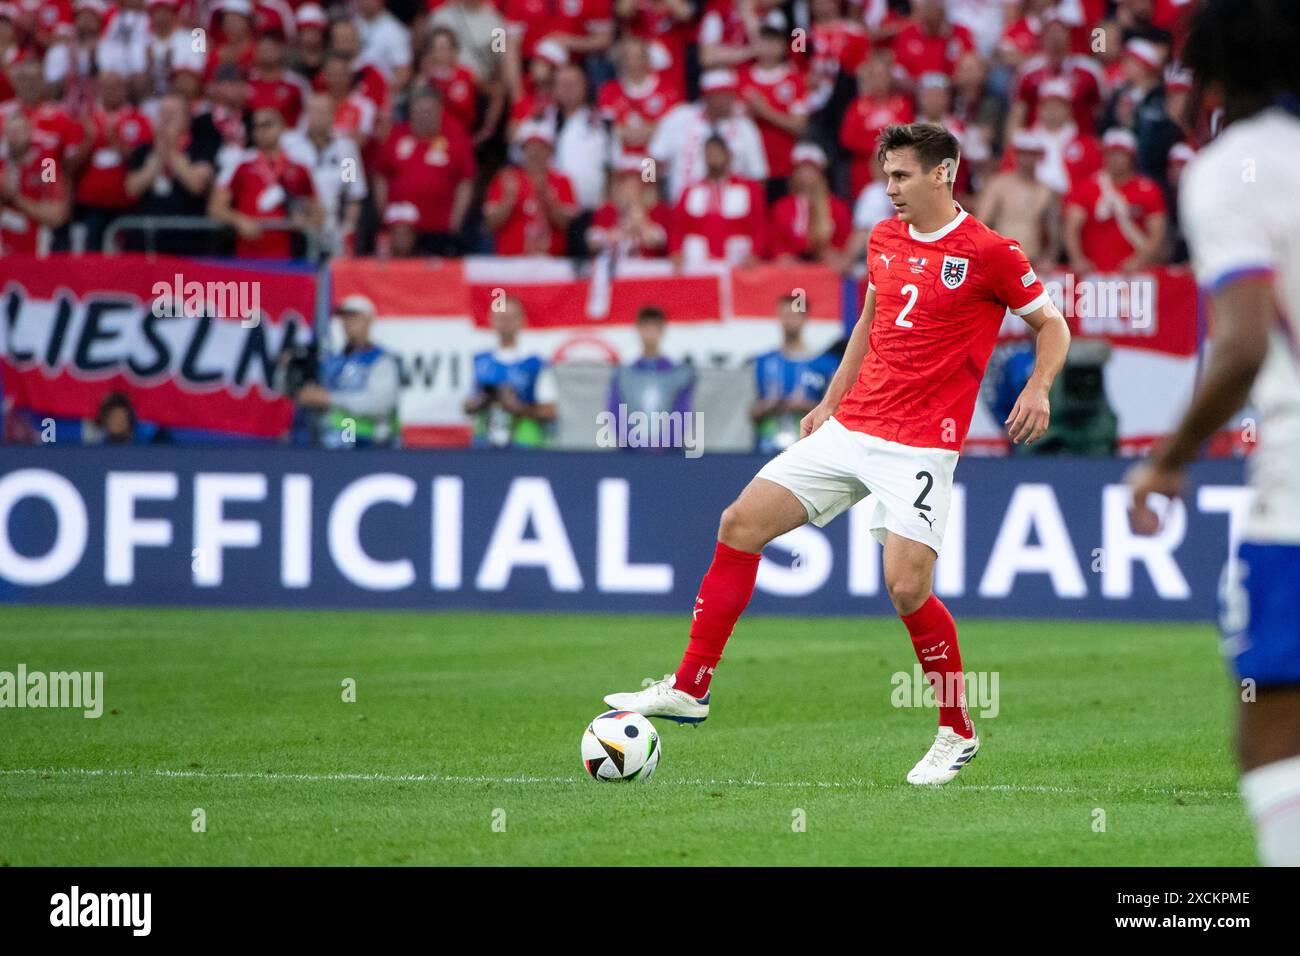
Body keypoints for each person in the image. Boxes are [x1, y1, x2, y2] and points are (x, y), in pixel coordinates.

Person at [603, 123, 1072, 786]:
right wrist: (829, 399)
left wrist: (1039, 385)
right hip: (852, 426)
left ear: (943, 172)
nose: (890, 189)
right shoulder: (883, 239)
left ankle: (956, 731)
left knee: (907, 588)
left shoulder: (991, 252)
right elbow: (869, 322)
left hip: (919, 443)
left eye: (903, 175)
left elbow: (1052, 324)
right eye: (886, 176)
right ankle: (690, 687)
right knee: (739, 523)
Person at [1127, 0, 1300, 866]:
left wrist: (1166, 461)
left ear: (1213, 77)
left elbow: (1239, 344)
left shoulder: (1234, 169)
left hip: (1296, 491)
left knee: (1274, 728)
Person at [296, 296, 401, 449]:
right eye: (345, 318)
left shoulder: (380, 360)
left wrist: (329, 399)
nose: (348, 323)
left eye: (354, 317)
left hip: (369, 443)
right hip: (334, 441)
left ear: (368, 320)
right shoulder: (334, 360)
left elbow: (380, 403)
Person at [751, 294, 840, 454]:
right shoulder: (763, 361)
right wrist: (769, 406)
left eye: (794, 315)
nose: (789, 320)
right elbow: (751, 411)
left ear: (805, 318)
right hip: (767, 446)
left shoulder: (826, 363)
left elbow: (834, 412)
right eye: (784, 315)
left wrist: (805, 405)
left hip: (809, 448)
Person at [464, 296, 557, 449]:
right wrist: (482, 401)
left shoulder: (535, 363)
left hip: (524, 440)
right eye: (501, 317)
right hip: (484, 441)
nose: (505, 323)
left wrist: (516, 406)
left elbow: (550, 411)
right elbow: (467, 405)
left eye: (510, 318)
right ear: (492, 320)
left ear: (521, 320)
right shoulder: (480, 361)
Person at [606, 306, 694, 453]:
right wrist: (634, 443)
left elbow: (683, 412)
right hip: (630, 455)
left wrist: (664, 444)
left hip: (670, 455)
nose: (649, 334)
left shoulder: (678, 375)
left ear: (662, 330)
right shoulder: (624, 375)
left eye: (654, 328)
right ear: (638, 330)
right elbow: (615, 412)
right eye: (646, 328)